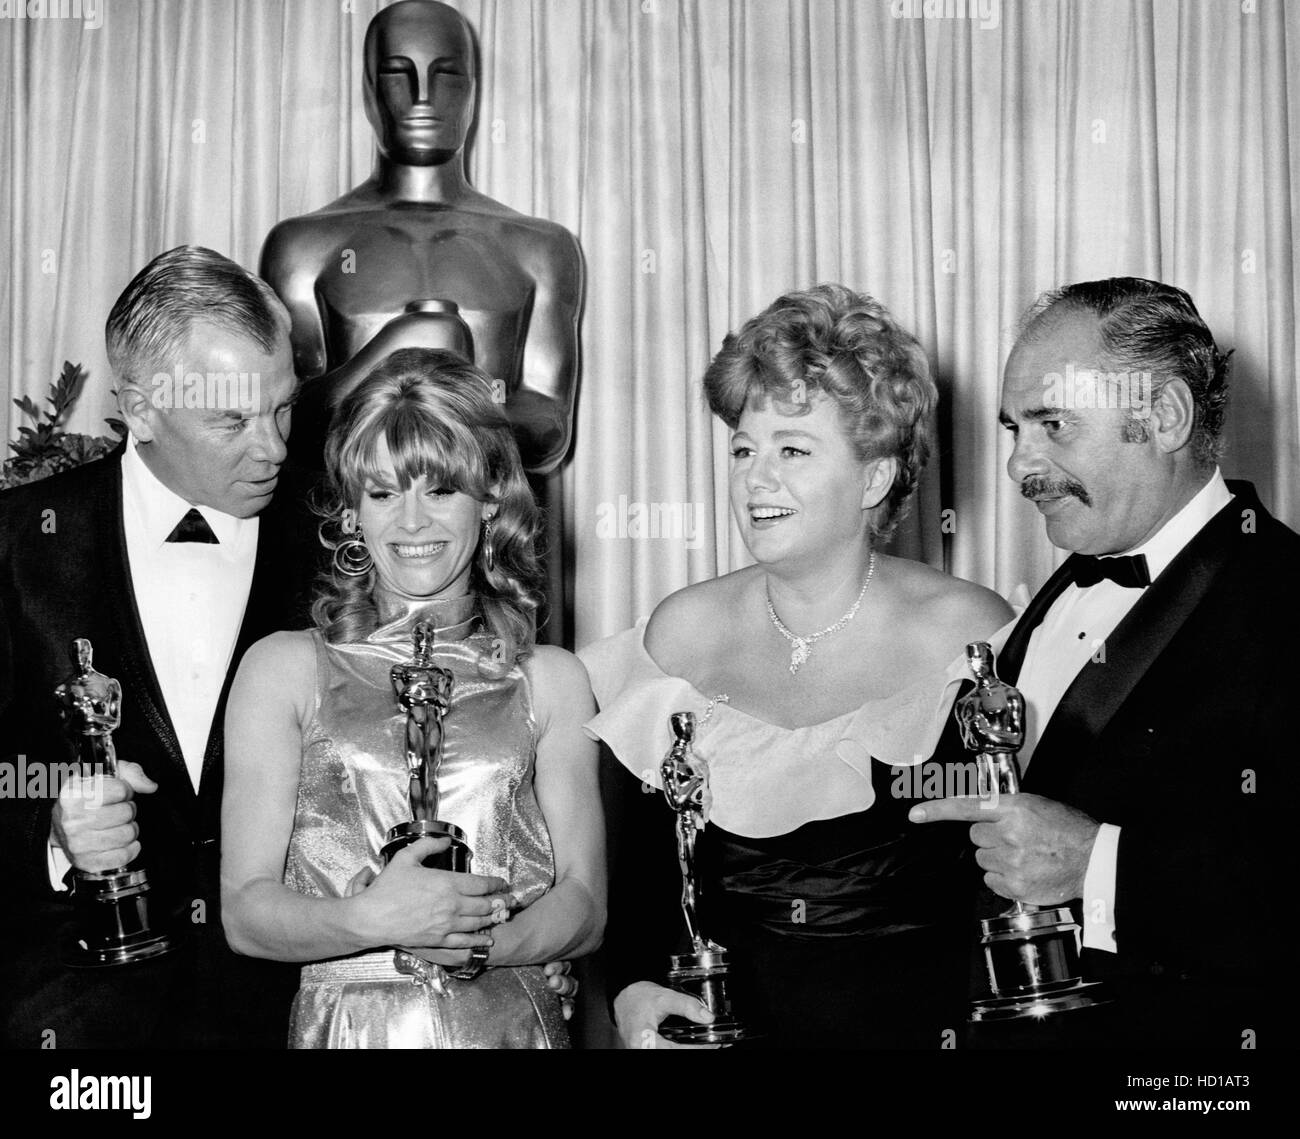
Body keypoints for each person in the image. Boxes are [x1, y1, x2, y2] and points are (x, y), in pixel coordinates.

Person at [582, 284, 1012, 1048]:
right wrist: (631, 991)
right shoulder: (682, 633)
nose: (756, 478)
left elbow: (1011, 887)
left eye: (792, 450)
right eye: (744, 449)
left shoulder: (968, 635)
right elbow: (637, 877)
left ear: (874, 478)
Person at [912, 277, 1299, 1047]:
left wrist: (1099, 866)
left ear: (1164, 416)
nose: (1020, 465)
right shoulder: (1056, 590)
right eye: (1015, 429)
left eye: (1053, 424)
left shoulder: (1284, 596)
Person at [220, 347, 603, 1049]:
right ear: (351, 512)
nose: (413, 521)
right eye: (384, 492)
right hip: (348, 1030)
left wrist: (481, 944)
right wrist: (373, 920)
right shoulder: (283, 669)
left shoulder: (551, 678)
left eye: (442, 490)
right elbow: (245, 913)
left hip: (515, 1027)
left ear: (490, 499)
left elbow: (585, 903)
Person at [0, 245, 314, 1048]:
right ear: (141, 410)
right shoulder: (17, 545)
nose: (273, 446)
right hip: (76, 1022)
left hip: (296, 1013)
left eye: (283, 407)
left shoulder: (340, 547)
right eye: (232, 419)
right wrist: (51, 829)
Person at [259, 0, 583, 476]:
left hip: (492, 509)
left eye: (446, 75)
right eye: (397, 73)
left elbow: (547, 426)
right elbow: (292, 421)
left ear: (471, 91)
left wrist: (436, 400)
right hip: (346, 511)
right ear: (368, 89)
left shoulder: (540, 247)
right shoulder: (302, 246)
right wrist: (402, 345)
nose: (423, 96)